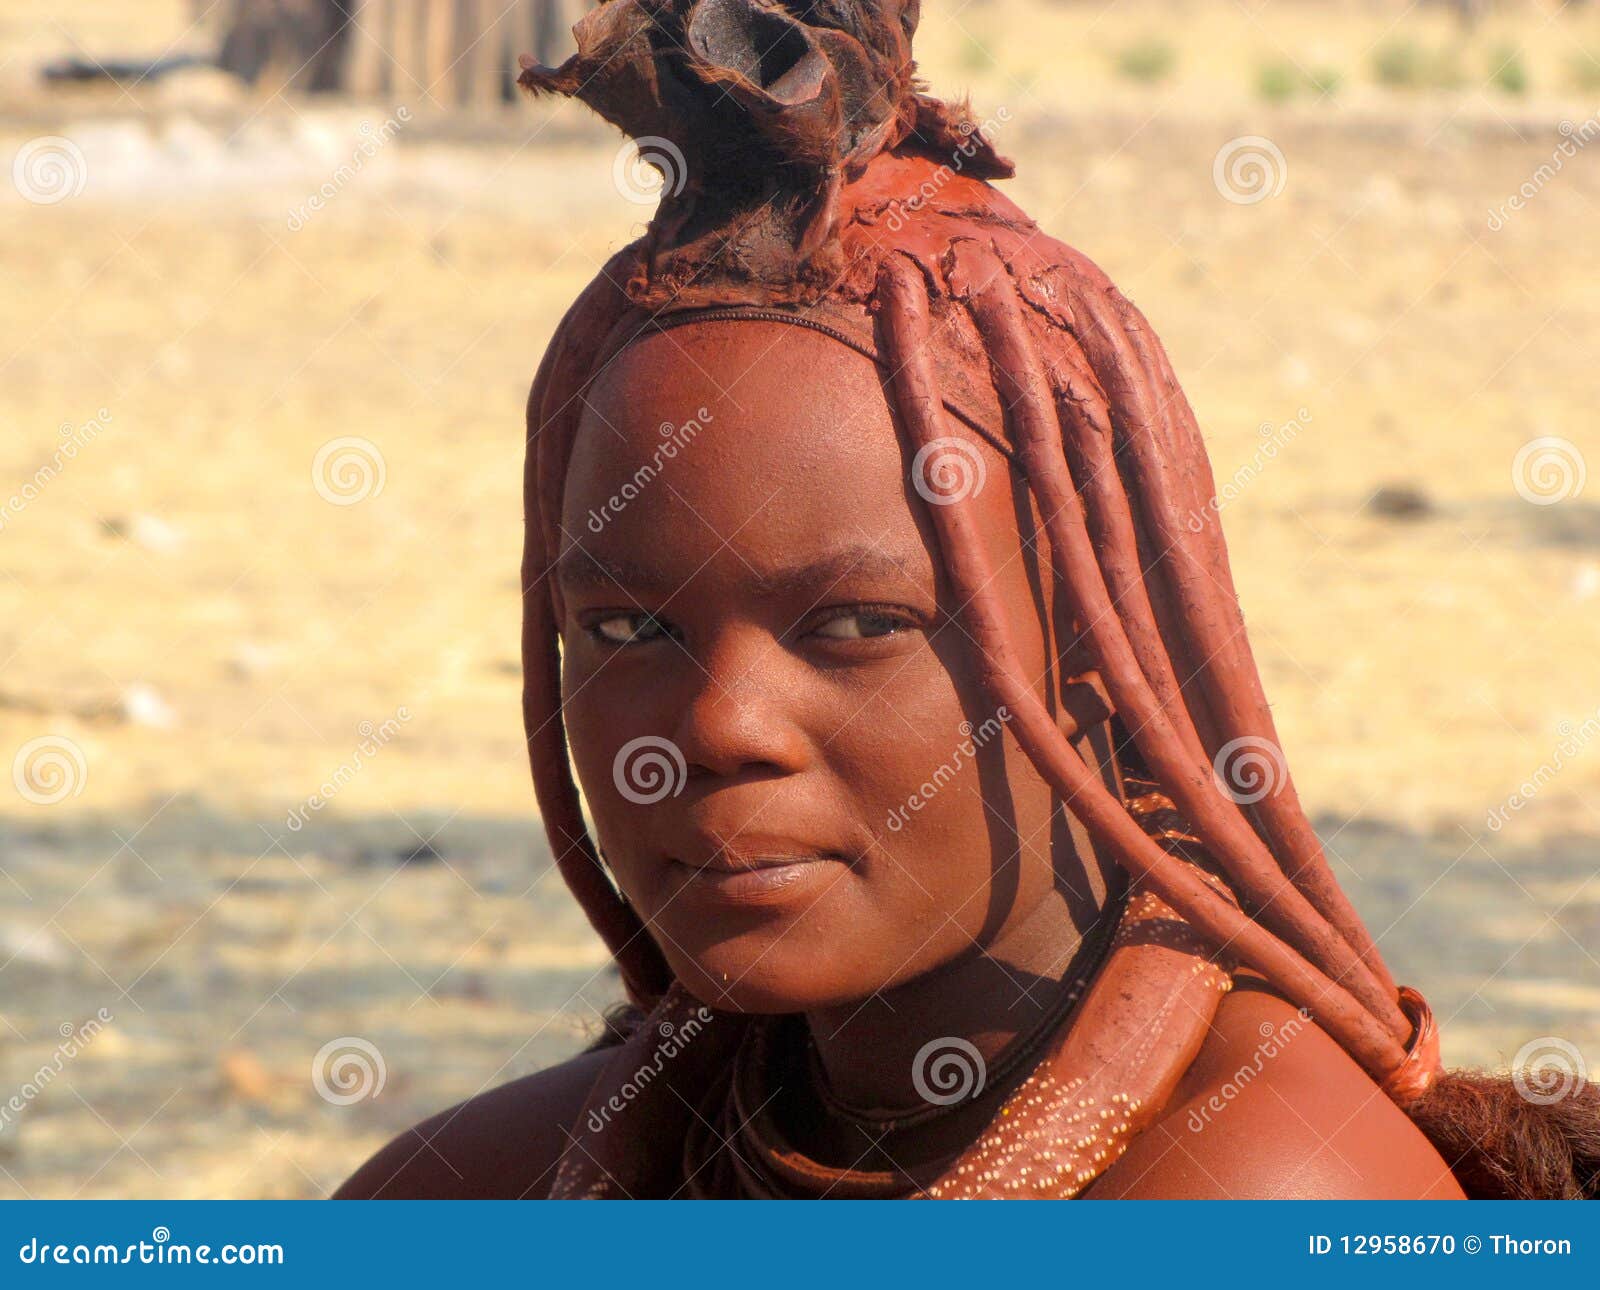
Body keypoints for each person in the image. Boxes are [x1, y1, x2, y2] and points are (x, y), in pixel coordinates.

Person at [337, 0, 1598, 1199]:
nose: (718, 730)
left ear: (1100, 659)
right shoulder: (474, 1191)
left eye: (855, 627)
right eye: (626, 629)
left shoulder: (1264, 1196)